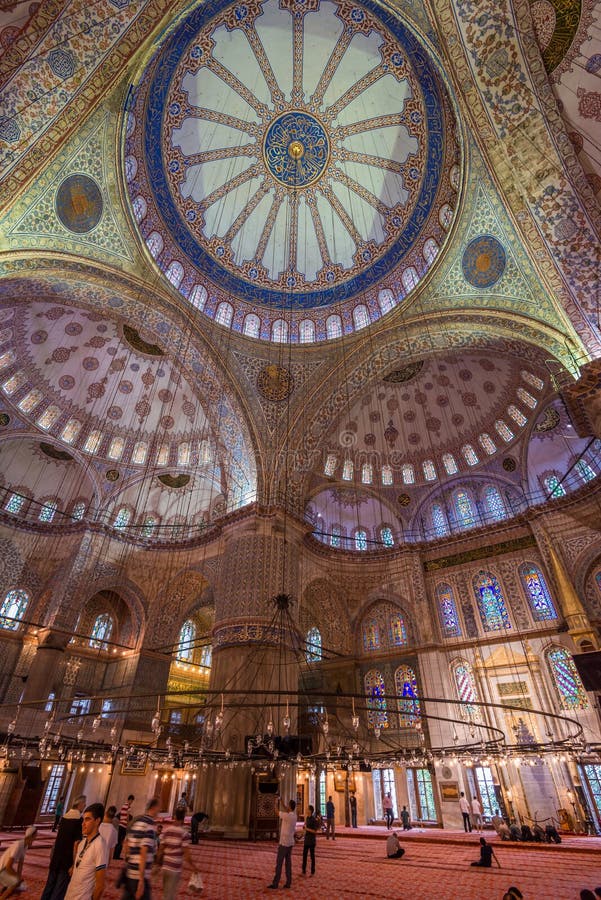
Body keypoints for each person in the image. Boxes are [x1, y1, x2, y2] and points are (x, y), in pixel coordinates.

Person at [41, 795, 86, 900]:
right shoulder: (78, 820)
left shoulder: (65, 817)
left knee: (49, 886)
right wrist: (74, 863)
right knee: (59, 889)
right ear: (79, 804)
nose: (84, 806)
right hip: (67, 860)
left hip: (56, 857)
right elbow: (76, 843)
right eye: (84, 804)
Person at [65, 803, 107, 900]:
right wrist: (75, 851)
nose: (83, 824)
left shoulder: (100, 845)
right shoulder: (82, 842)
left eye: (87, 819)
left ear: (97, 821)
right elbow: (75, 870)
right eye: (83, 819)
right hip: (70, 895)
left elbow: (100, 885)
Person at [122, 797, 158, 900]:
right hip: (140, 875)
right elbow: (144, 852)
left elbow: (126, 844)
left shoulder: (137, 821)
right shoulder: (149, 825)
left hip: (131, 871)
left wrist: (128, 858)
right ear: (154, 808)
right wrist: (141, 880)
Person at [159, 806, 199, 900]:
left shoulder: (166, 830)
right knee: (170, 895)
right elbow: (187, 854)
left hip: (165, 866)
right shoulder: (184, 833)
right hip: (175, 868)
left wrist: (157, 862)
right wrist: (193, 867)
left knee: (165, 894)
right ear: (184, 818)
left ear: (174, 816)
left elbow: (160, 849)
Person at [267, 796, 297, 890]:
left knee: (279, 863)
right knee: (288, 863)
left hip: (284, 843)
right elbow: (286, 809)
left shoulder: (287, 816)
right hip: (290, 843)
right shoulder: (294, 816)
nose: (286, 806)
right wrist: (282, 801)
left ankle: (275, 883)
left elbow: (277, 812)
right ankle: (288, 882)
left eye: (288, 805)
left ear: (290, 807)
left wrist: (275, 803)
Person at [0, 826, 37, 898]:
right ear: (32, 836)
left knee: (17, 886)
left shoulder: (25, 846)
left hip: (5, 870)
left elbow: (20, 865)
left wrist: (19, 878)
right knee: (14, 884)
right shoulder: (18, 845)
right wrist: (17, 878)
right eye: (35, 836)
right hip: (2, 869)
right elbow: (8, 866)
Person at [114, 795, 134, 861]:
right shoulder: (128, 807)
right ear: (130, 800)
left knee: (118, 840)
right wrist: (128, 824)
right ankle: (117, 856)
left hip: (120, 825)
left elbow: (121, 815)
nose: (132, 802)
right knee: (121, 841)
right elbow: (128, 817)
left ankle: (115, 855)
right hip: (124, 825)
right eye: (132, 801)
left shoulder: (123, 805)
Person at [301, 804, 319, 876]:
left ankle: (312, 872)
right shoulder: (307, 818)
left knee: (312, 857)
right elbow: (305, 827)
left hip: (311, 841)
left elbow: (315, 831)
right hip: (306, 840)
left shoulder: (313, 820)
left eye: (307, 809)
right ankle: (303, 871)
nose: (306, 810)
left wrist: (307, 829)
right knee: (304, 856)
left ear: (310, 811)